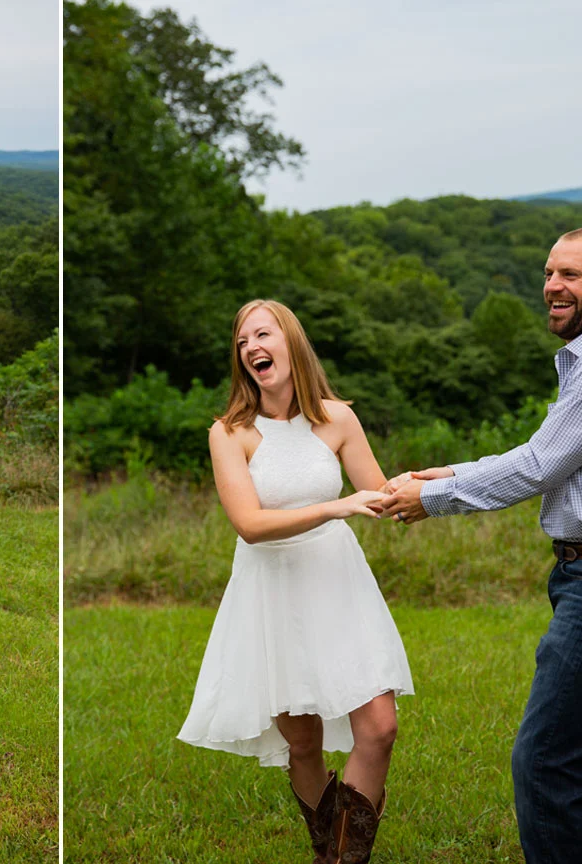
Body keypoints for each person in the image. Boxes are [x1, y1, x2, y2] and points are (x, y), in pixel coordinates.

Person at [379, 226, 582, 864]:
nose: (551, 286)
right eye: (549, 273)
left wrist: (432, 499)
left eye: (570, 275)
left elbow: (538, 468)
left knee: (547, 762)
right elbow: (546, 452)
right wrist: (454, 472)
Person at [177, 299, 413, 863]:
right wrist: (335, 508)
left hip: (338, 584)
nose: (252, 346)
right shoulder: (231, 433)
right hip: (272, 591)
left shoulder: (337, 419)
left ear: (291, 342)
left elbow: (377, 493)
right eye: (242, 341)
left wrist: (444, 482)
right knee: (301, 740)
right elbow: (251, 525)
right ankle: (326, 852)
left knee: (378, 727)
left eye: (263, 333)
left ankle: (341, 859)